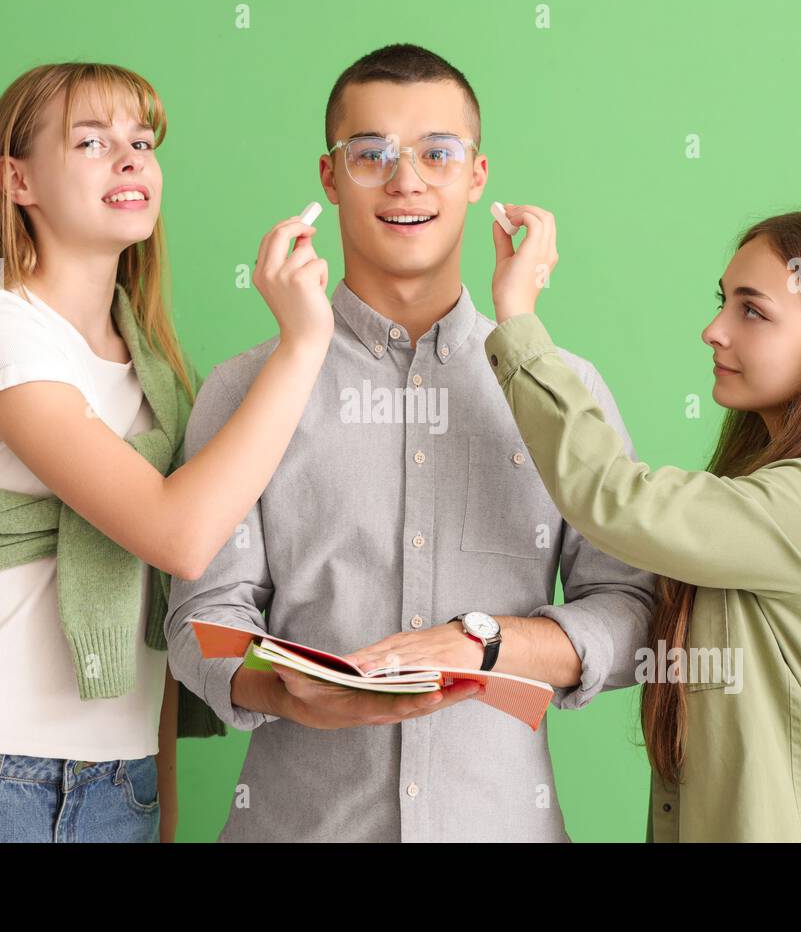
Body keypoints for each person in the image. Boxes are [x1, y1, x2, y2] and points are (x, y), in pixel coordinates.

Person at [166, 43, 655, 842]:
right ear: (329, 178)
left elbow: (634, 608)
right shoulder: (245, 389)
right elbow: (201, 621)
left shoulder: (563, 388)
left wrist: (492, 646)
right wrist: (288, 690)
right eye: (372, 154)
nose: (407, 180)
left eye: (437, 152)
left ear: (477, 175)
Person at [0, 62, 332, 842]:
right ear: (17, 179)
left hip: (118, 789)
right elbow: (178, 535)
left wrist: (157, 809)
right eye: (91, 141)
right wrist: (302, 347)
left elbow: (159, 617)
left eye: (142, 140)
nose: (130, 158)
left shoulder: (160, 373)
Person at [484, 210, 801, 841]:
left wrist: (517, 316)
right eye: (724, 301)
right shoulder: (773, 493)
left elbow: (618, 500)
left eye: (753, 311)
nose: (713, 330)